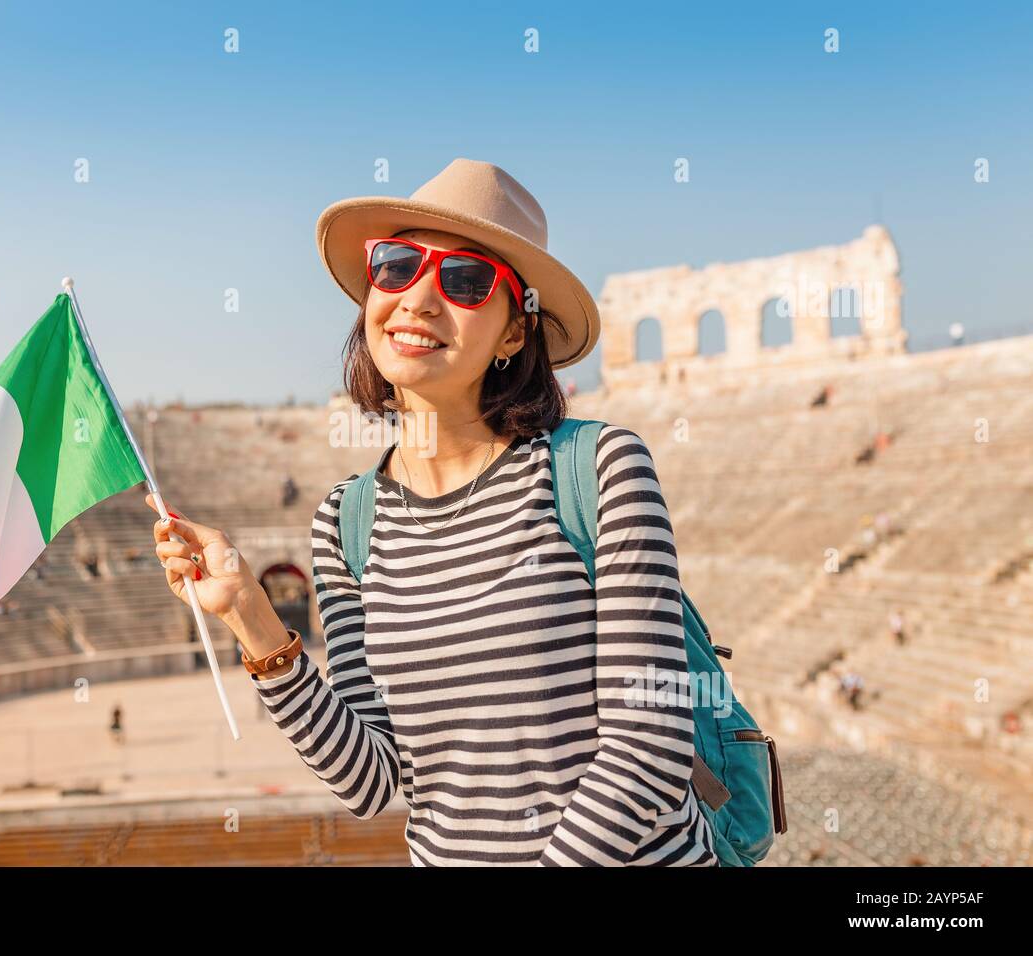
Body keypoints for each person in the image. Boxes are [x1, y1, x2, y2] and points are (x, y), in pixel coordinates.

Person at [149, 159, 716, 866]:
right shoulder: (345, 521)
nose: (418, 298)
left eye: (467, 280)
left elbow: (650, 753)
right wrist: (250, 616)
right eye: (396, 264)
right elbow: (372, 779)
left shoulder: (600, 469)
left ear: (516, 333)